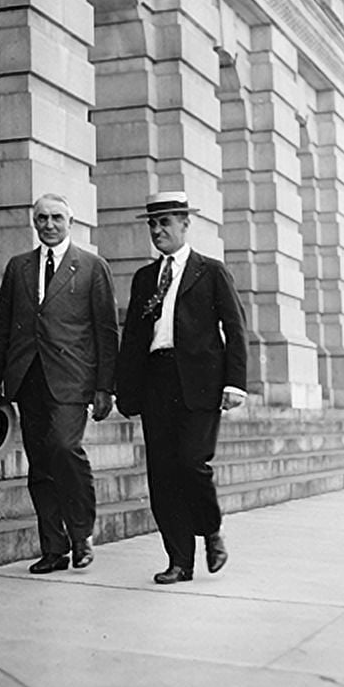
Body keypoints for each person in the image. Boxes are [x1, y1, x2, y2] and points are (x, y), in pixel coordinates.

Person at [116, 191, 248, 584]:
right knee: (162, 473)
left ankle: (210, 529)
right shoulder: (144, 278)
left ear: (185, 225)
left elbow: (235, 330)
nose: (158, 231)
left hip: (200, 383)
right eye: (153, 224)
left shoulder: (210, 271)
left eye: (166, 223)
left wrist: (235, 384)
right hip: (156, 380)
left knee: (192, 462)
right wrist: (124, 389)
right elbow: (133, 338)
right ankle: (179, 561)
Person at [0, 194, 119, 574]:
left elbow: (106, 332)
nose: (49, 225)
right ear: (34, 222)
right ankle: (54, 548)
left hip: (72, 381)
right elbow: (2, 326)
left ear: (70, 222)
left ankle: (81, 535)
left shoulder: (92, 267)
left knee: (64, 447)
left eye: (56, 218)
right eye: (41, 218)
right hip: (28, 378)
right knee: (40, 465)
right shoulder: (19, 267)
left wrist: (105, 387)